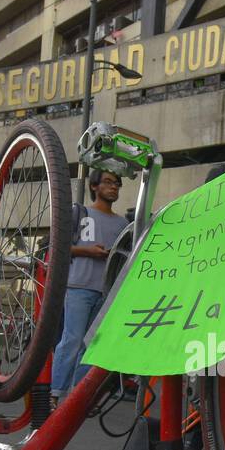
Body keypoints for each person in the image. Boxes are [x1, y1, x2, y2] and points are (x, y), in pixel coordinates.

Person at [51, 170, 129, 406]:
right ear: (94, 186)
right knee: (72, 339)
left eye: (117, 183)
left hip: (106, 291)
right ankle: (55, 393)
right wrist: (88, 251)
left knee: (91, 344)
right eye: (107, 182)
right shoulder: (80, 213)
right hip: (79, 286)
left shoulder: (123, 223)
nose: (113, 187)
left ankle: (79, 396)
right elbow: (58, 248)